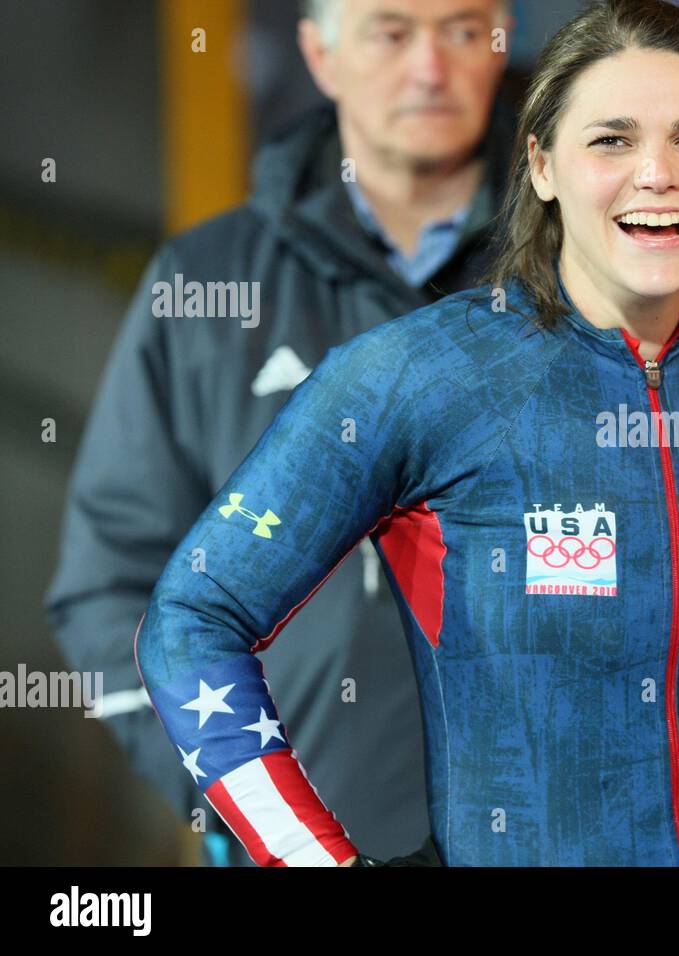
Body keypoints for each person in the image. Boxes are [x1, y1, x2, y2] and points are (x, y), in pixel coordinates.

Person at [131, 0, 679, 867]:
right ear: (542, 165)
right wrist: (315, 859)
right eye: (611, 140)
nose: (657, 173)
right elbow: (192, 619)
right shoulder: (420, 376)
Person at [44, 0, 518, 865]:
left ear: (504, 41)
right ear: (319, 53)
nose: (429, 67)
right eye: (390, 30)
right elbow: (107, 583)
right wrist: (227, 792)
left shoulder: (577, 277)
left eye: (461, 29)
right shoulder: (204, 284)